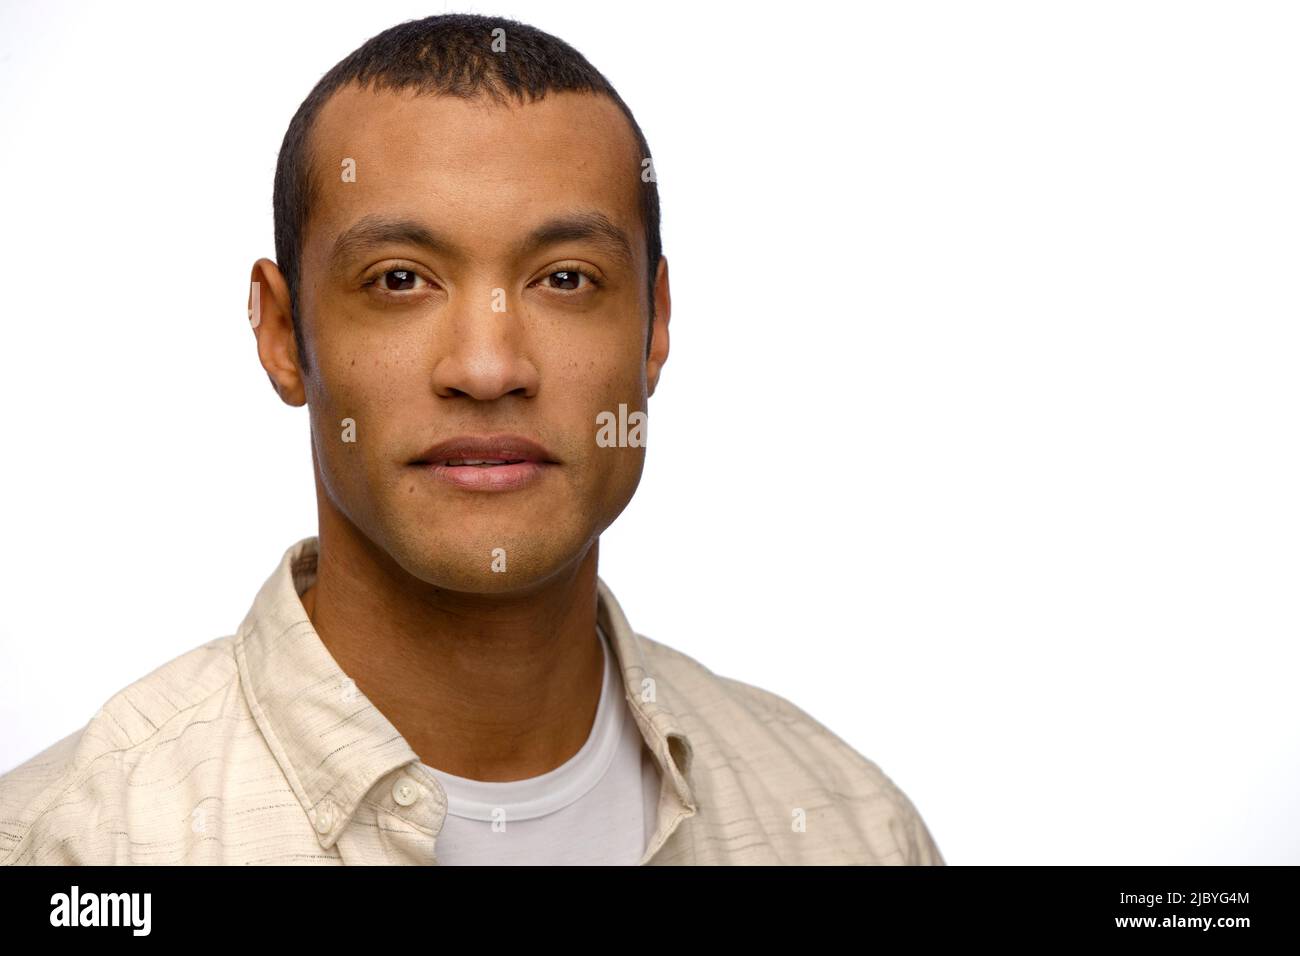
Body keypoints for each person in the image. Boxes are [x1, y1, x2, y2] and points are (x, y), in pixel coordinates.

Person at [0, 13, 944, 866]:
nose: (489, 367)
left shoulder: (853, 834)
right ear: (283, 336)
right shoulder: (68, 848)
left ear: (654, 326)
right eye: (401, 280)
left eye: (566, 279)